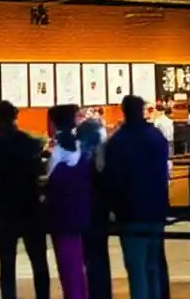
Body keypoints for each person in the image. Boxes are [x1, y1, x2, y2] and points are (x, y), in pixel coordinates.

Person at [0, 100, 50, 299]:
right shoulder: (30, 143)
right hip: (30, 207)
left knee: (7, 263)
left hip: (3, 210)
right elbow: (38, 170)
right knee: (38, 262)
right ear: (16, 117)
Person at [101, 96, 168, 299]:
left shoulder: (117, 141)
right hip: (156, 209)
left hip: (130, 212)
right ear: (143, 110)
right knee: (153, 266)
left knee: (136, 268)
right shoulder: (156, 137)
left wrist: (112, 207)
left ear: (124, 111)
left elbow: (111, 179)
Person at [46, 105, 90, 299]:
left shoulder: (58, 151)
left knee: (68, 268)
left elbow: (52, 182)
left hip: (62, 216)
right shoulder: (81, 146)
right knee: (78, 266)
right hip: (81, 212)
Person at [77, 119, 111, 299]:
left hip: (83, 212)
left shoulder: (78, 160)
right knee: (100, 257)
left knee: (89, 258)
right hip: (100, 212)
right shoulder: (103, 160)